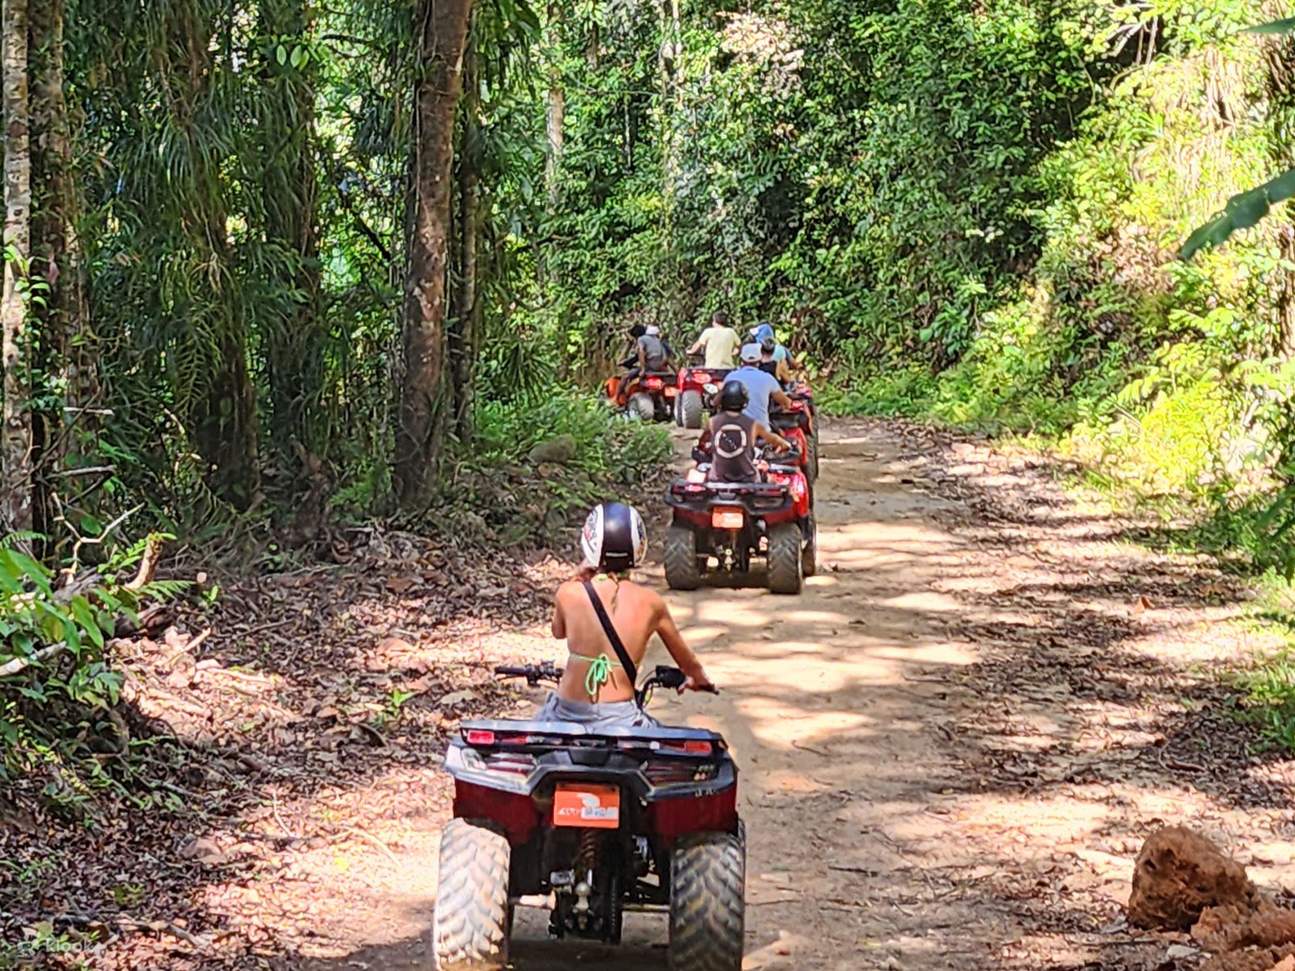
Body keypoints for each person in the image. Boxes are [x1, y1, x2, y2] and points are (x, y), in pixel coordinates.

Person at [541, 503, 714, 729]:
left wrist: (577, 576)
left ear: (590, 544)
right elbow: (687, 662)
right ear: (638, 547)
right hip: (621, 718)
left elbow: (558, 632)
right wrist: (698, 678)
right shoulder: (651, 603)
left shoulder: (569, 592)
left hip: (565, 713)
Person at [701, 380, 790, 483]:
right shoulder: (753, 424)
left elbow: (702, 442)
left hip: (717, 478)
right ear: (745, 402)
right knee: (775, 481)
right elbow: (774, 439)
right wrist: (785, 444)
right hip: (749, 479)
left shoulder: (712, 422)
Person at [729, 342, 793, 429]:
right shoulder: (768, 377)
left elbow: (717, 401)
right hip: (761, 430)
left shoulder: (731, 377)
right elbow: (785, 402)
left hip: (736, 429)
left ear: (741, 360)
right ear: (759, 360)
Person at [615, 324, 672, 401]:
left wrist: (643, 369)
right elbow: (666, 358)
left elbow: (640, 354)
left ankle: (616, 398)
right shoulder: (657, 340)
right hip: (660, 368)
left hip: (649, 368)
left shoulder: (641, 340)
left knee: (625, 377)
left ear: (636, 336)